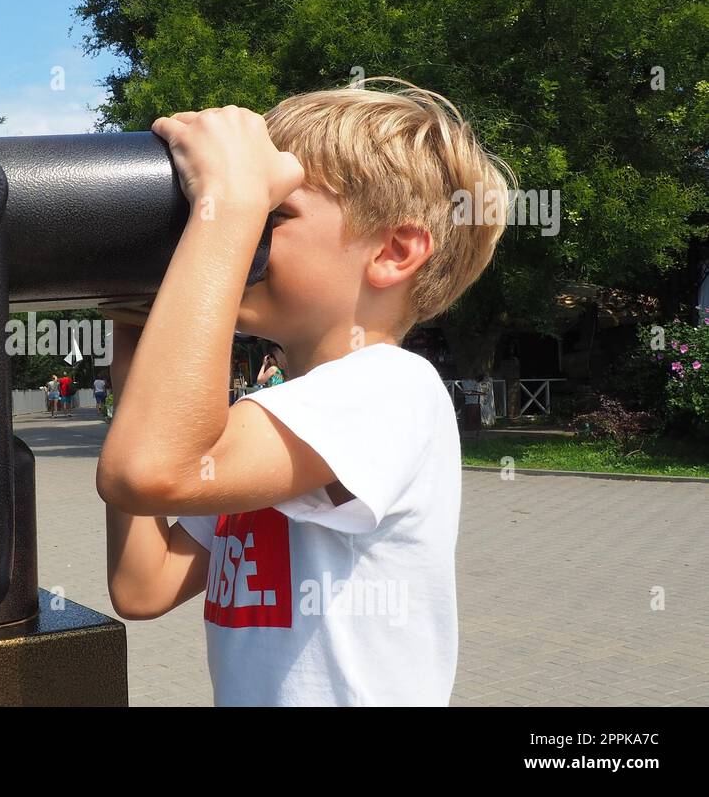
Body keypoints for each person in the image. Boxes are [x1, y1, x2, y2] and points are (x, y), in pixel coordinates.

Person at [97, 80, 510, 706]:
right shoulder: (269, 424)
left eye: (274, 215)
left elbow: (149, 472)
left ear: (395, 251)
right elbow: (143, 584)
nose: (242, 232)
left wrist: (227, 208)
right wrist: (135, 331)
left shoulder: (392, 387)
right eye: (248, 211)